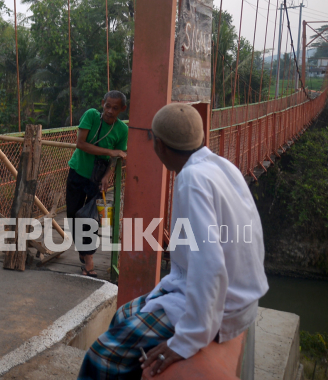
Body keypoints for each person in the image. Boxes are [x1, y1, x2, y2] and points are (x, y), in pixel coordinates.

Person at [78, 103, 269, 379]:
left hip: (223, 306)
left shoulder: (192, 179)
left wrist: (187, 340)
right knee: (123, 315)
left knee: (101, 355)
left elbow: (210, 265)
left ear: (160, 146)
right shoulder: (221, 166)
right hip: (239, 294)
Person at [67, 91, 128, 277]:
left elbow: (119, 157)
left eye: (115, 108)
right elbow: (81, 144)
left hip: (97, 178)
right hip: (78, 172)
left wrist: (107, 175)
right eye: (107, 106)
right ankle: (83, 252)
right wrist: (111, 152)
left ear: (122, 109)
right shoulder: (91, 116)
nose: (110, 111)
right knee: (72, 215)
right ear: (103, 103)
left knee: (89, 217)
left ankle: (89, 261)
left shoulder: (122, 130)